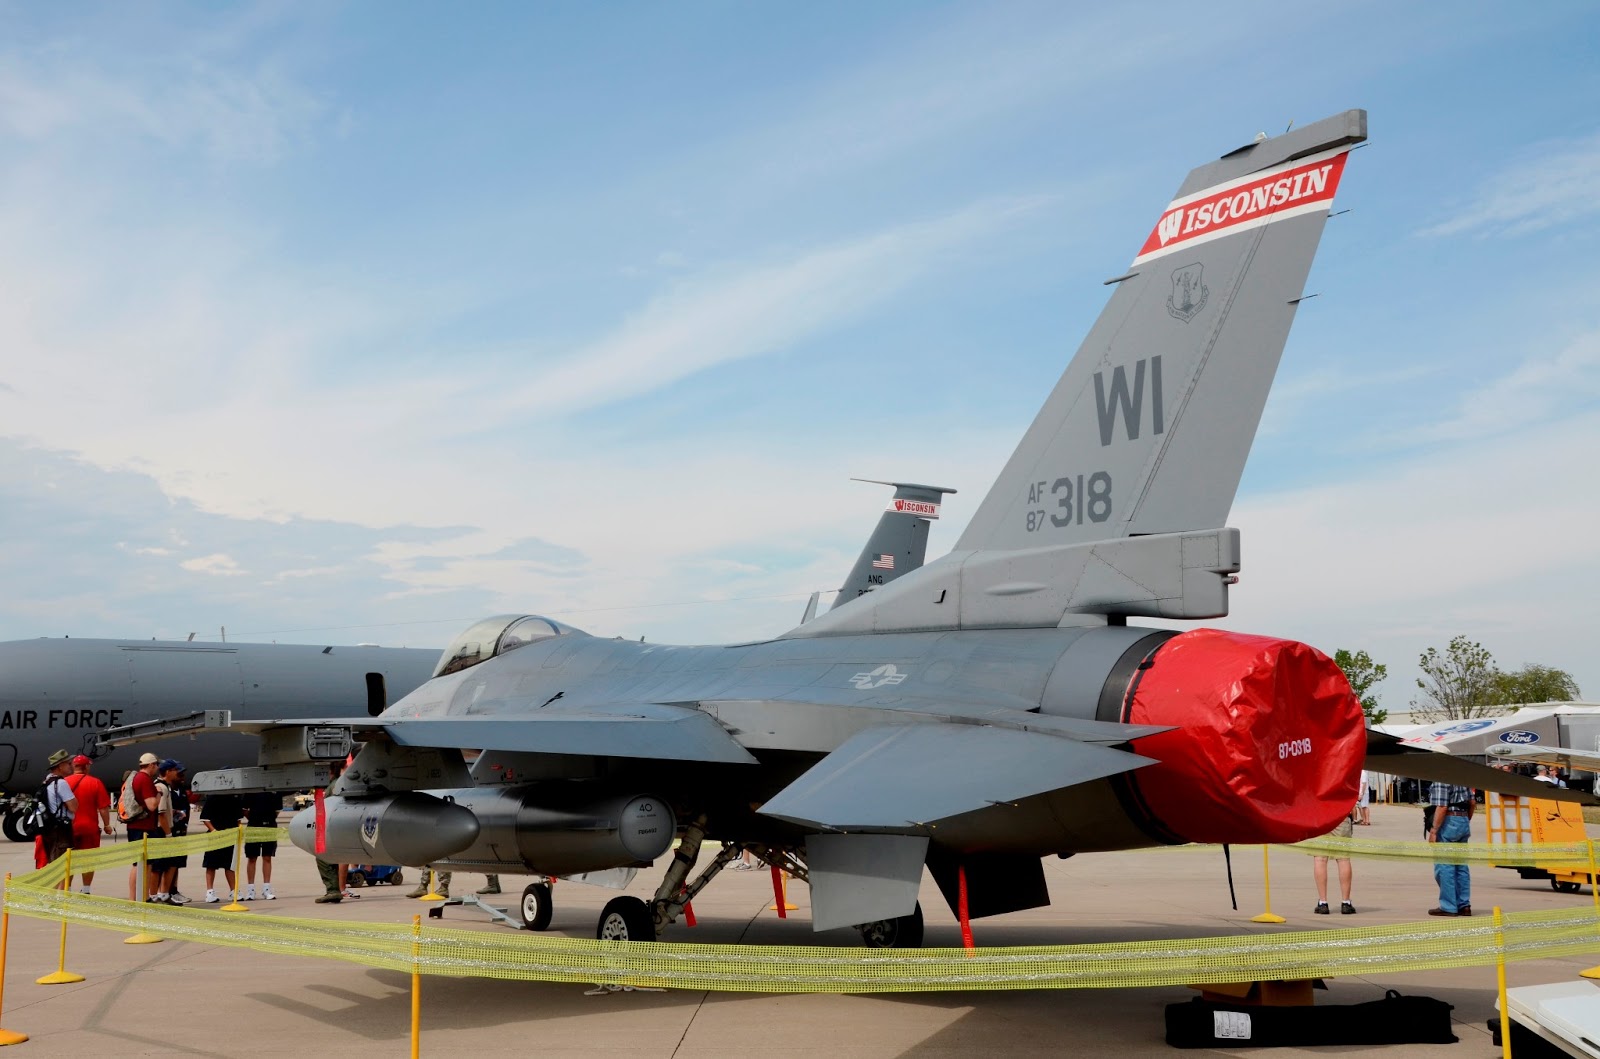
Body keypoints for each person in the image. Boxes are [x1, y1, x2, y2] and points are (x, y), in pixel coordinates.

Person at [64, 754, 113, 893]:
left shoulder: (64, 782)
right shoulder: (95, 782)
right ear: (86, 767)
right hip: (89, 828)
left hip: (69, 828)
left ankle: (67, 888)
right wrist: (107, 825)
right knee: (88, 860)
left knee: (69, 859)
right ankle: (86, 889)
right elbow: (103, 808)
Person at [1427, 779, 1474, 917]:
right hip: (1463, 819)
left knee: (1444, 866)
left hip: (1448, 821)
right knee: (1461, 866)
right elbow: (1472, 803)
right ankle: (1464, 905)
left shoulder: (1441, 779)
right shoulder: (1460, 776)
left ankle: (1449, 906)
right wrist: (1464, 820)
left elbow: (1442, 806)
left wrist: (1434, 831)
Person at [123, 752, 163, 901]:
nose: (158, 768)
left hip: (136, 826)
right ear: (152, 765)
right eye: (157, 765)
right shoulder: (144, 780)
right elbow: (152, 805)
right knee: (141, 864)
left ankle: (140, 897)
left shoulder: (134, 778)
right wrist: (159, 793)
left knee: (142, 863)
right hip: (143, 828)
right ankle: (137, 898)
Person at [148, 759, 186, 903]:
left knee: (166, 864)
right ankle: (154, 895)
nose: (178, 773)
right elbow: (161, 813)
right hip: (161, 831)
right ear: (168, 771)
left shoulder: (164, 786)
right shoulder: (162, 788)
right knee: (158, 866)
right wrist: (168, 834)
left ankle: (163, 894)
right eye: (176, 770)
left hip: (161, 830)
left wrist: (174, 811)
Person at [199, 788, 245, 903]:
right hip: (215, 836)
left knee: (230, 865)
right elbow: (205, 818)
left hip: (230, 836)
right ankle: (209, 892)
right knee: (211, 864)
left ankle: (233, 891)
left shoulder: (235, 797)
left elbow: (239, 820)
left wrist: (238, 832)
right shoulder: (212, 796)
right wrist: (214, 831)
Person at [36, 749, 78, 871]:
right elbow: (73, 807)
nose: (71, 766)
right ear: (60, 766)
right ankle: (58, 891)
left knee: (54, 863)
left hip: (49, 828)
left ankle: (58, 890)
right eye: (69, 764)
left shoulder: (47, 781)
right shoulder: (61, 783)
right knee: (62, 867)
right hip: (61, 830)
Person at [1312, 810, 1356, 914]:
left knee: (1320, 859)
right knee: (1343, 859)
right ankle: (1346, 902)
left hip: (1319, 816)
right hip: (1340, 816)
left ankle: (1323, 902)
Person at [243, 790, 280, 900]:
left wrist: (267, 819)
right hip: (254, 826)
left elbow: (277, 811)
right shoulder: (251, 790)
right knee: (252, 858)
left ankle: (266, 889)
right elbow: (244, 810)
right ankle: (250, 890)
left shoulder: (275, 791)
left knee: (267, 857)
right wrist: (255, 819)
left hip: (270, 826)